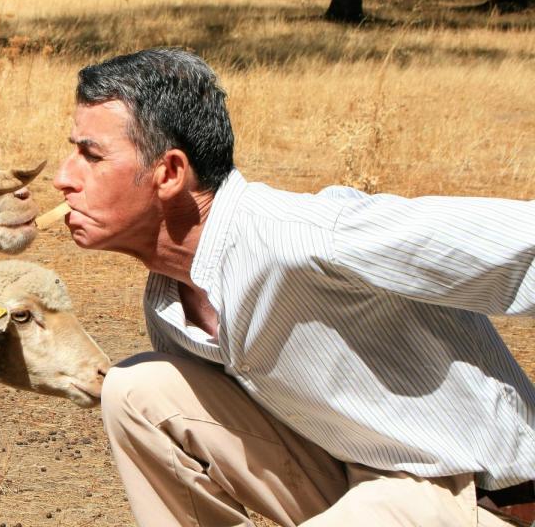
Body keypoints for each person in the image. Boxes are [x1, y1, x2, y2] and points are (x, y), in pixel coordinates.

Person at [51, 47, 535, 527]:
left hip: (471, 495)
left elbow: (521, 244)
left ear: (171, 173)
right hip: (353, 482)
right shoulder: (169, 305)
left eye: (90, 155)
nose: (62, 178)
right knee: (136, 389)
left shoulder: (309, 235)